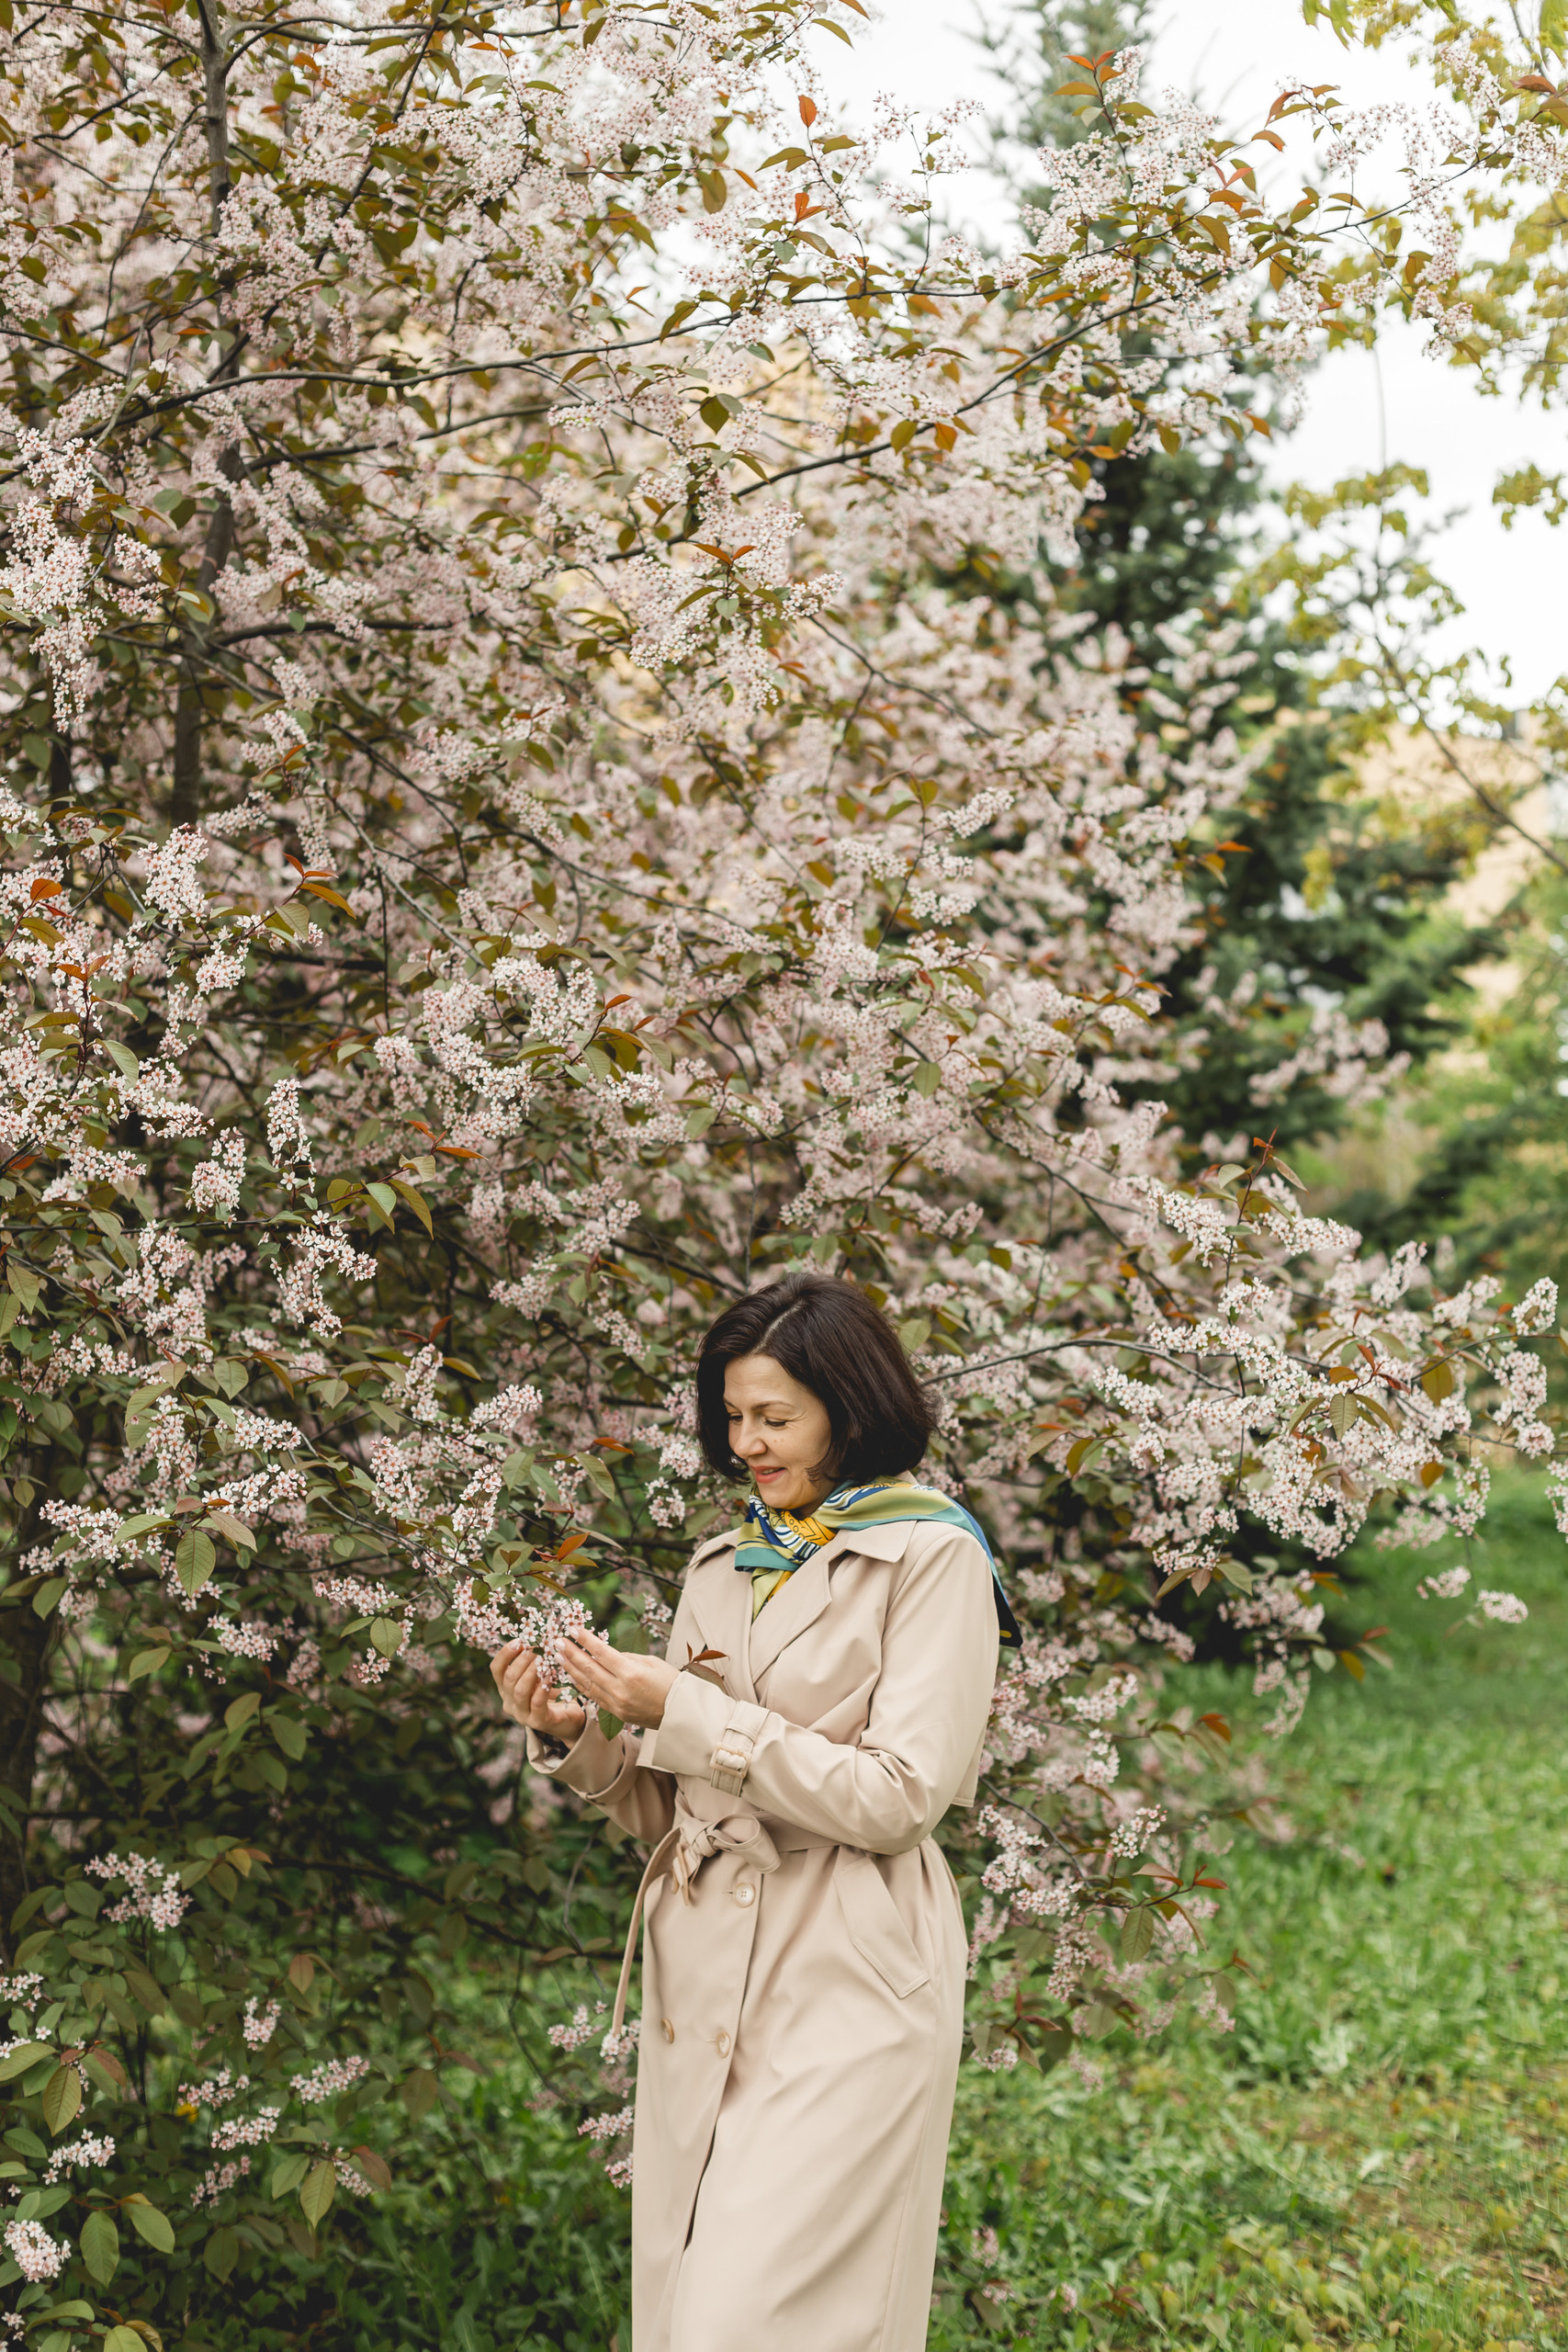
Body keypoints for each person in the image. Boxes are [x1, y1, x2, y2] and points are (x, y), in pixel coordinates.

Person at [491, 1272, 1012, 2352]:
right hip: (706, 1981)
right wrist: (573, 1736)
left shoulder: (937, 1558)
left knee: (754, 2329)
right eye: (734, 1416)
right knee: (690, 2322)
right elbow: (681, 1808)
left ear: (850, 1410)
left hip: (849, 1981)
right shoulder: (723, 1564)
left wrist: (683, 1707)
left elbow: (900, 1796)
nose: (748, 1445)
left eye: (776, 1417)